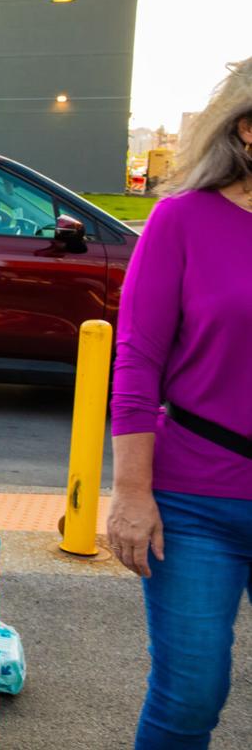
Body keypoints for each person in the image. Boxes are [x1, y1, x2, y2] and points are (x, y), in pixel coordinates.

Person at [108, 58, 252, 750]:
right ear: (246, 129)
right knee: (190, 693)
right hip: (197, 501)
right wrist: (131, 493)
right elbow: (137, 361)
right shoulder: (183, 220)